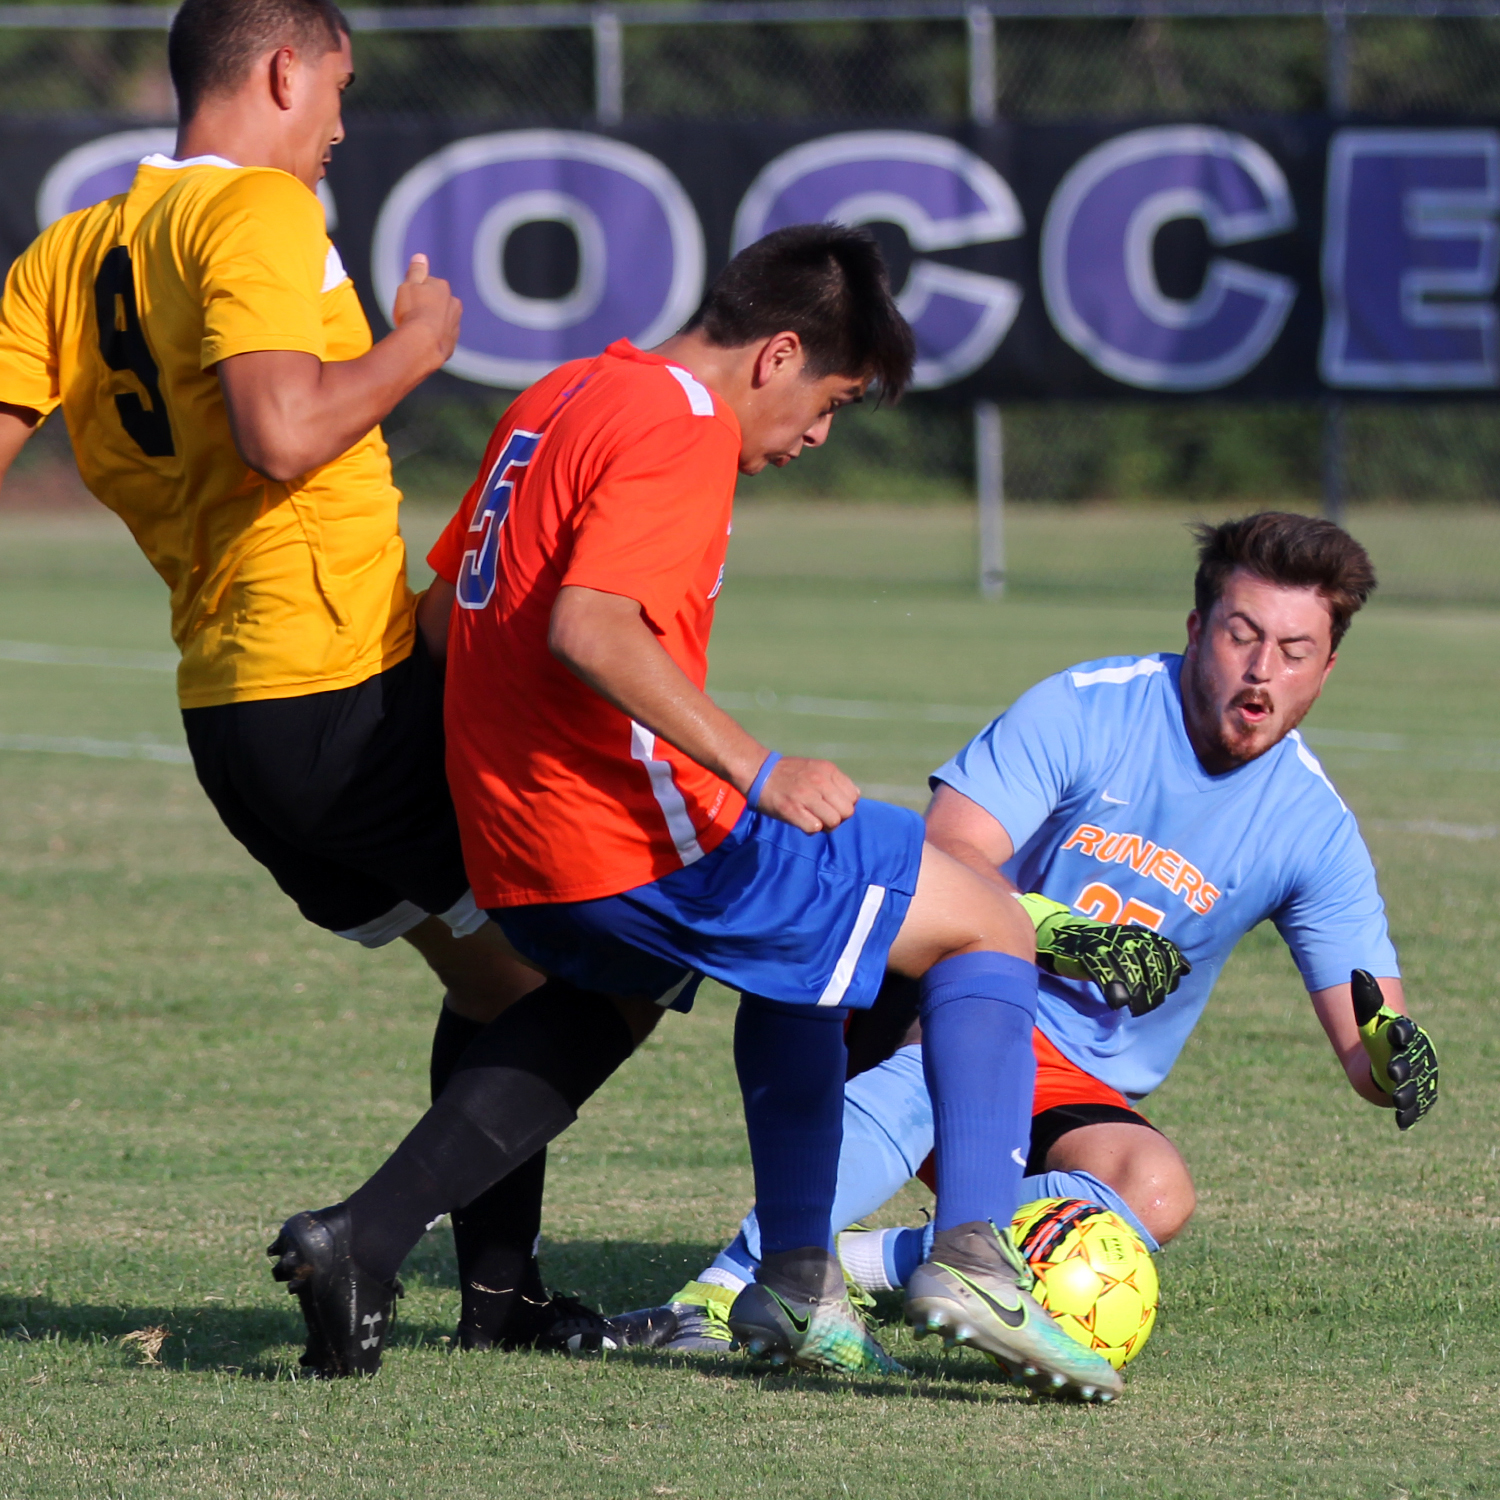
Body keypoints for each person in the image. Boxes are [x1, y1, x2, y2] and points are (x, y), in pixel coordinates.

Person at [267, 225, 1172, 1400]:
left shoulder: (561, 393)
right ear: (777, 353)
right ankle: (975, 1257)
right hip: (634, 833)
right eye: (830, 400)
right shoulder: (679, 423)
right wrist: (757, 769)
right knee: (986, 924)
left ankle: (381, 1240)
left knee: (711, 985)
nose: (818, 435)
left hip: (518, 843)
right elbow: (589, 624)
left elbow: (447, 620)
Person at [0, 0, 611, 1357]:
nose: (339, 124)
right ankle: (362, 1244)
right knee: (610, 977)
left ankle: (499, 1308)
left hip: (231, 717)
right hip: (331, 685)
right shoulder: (258, 216)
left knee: (497, 985)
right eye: (338, 87)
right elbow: (280, 433)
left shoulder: (63, 255)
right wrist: (417, 346)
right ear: (284, 69)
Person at [631, 511, 1439, 1349]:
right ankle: (724, 1292)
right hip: (944, 988)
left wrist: (1393, 1052)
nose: (1263, 670)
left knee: (1154, 1192)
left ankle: (882, 1264)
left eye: (1296, 651)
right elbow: (947, 849)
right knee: (944, 1067)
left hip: (1067, 1075)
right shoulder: (1090, 709)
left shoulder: (1313, 826)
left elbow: (1367, 1039)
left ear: (1329, 666)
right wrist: (1064, 935)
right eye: (1243, 636)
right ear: (1198, 628)